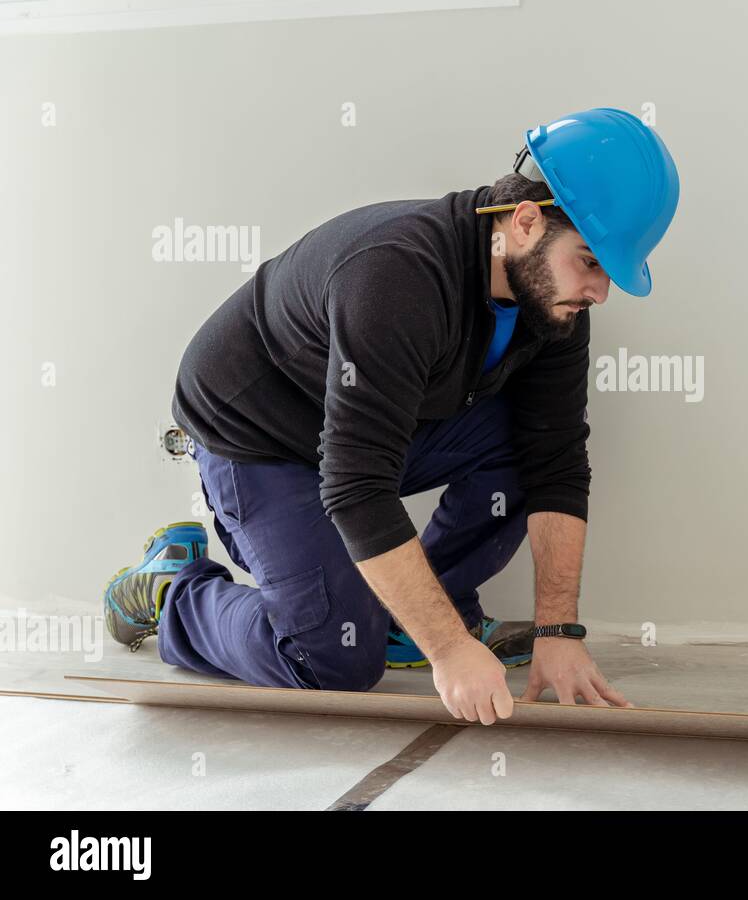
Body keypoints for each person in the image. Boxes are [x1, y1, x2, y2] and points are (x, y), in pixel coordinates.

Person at [102, 107, 680, 725]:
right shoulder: (398, 276)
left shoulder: (552, 304)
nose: (600, 292)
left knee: (524, 439)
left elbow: (556, 460)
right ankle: (173, 591)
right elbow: (357, 486)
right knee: (331, 660)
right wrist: (450, 651)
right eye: (590, 261)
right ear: (525, 221)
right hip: (258, 435)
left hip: (362, 435)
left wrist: (558, 631)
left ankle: (408, 618)